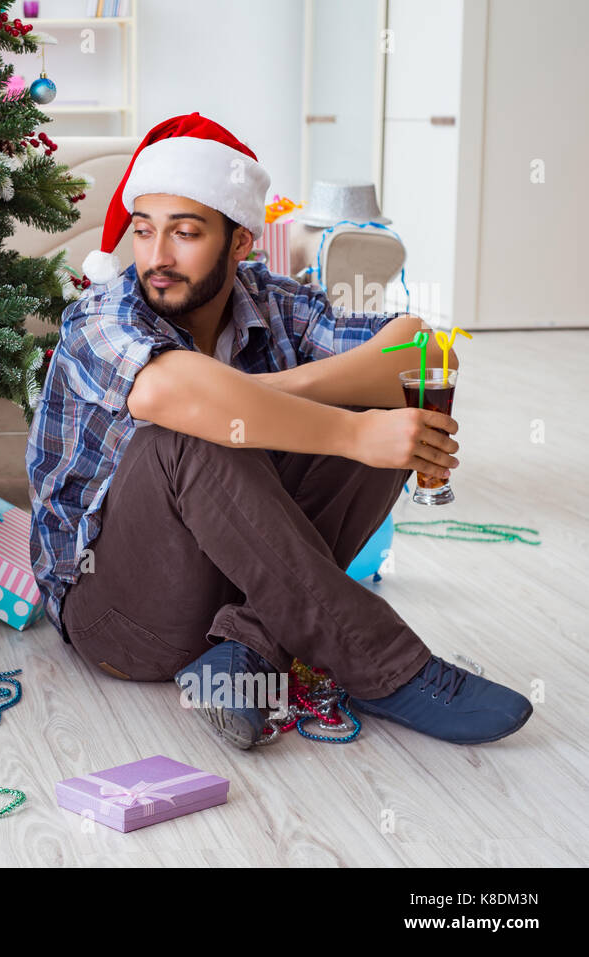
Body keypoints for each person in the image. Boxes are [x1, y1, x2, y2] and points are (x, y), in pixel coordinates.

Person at [26, 113, 531, 749]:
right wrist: (345, 436)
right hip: (119, 614)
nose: (156, 256)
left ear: (240, 244)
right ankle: (385, 667)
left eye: (184, 234)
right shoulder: (102, 313)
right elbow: (169, 393)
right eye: (144, 232)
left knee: (380, 407)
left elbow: (426, 355)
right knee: (186, 430)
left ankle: (243, 653)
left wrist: (286, 401)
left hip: (238, 583)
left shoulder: (275, 301)